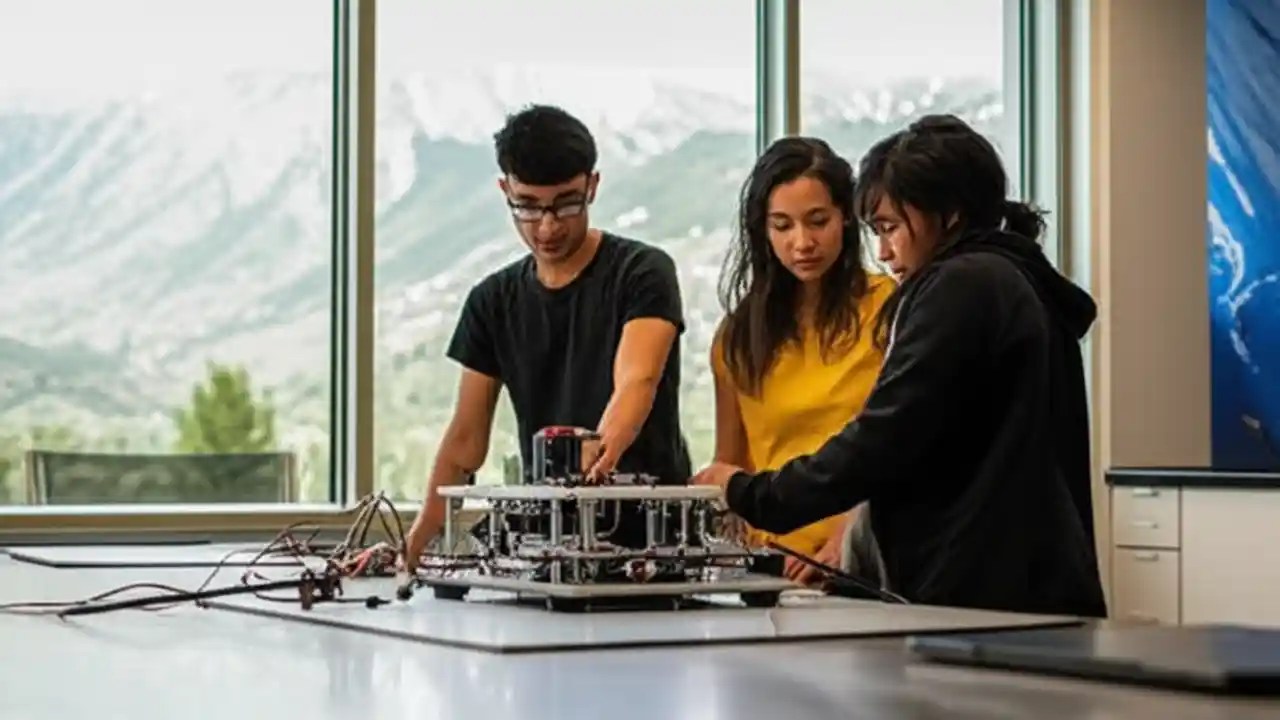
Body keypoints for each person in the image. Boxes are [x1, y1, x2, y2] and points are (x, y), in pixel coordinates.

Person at [694, 114, 1108, 618]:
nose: (886, 253)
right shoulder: (1012, 280)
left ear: (947, 215)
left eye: (890, 228)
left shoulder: (962, 286)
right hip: (1017, 589)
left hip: (979, 596)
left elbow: (883, 438)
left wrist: (749, 492)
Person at [402, 104, 691, 567]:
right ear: (505, 191)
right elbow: (465, 441)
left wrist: (596, 455)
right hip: (545, 548)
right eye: (528, 207)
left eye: (566, 203)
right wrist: (413, 547)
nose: (548, 226)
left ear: (592, 185)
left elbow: (637, 381)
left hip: (650, 545)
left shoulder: (643, 271)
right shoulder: (491, 301)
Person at [710, 136, 895, 585]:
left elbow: (894, 450)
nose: (802, 243)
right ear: (762, 230)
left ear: (846, 219)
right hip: (777, 572)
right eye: (782, 225)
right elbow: (729, 469)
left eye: (817, 221)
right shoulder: (737, 338)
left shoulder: (888, 309)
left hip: (868, 560)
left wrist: (845, 538)